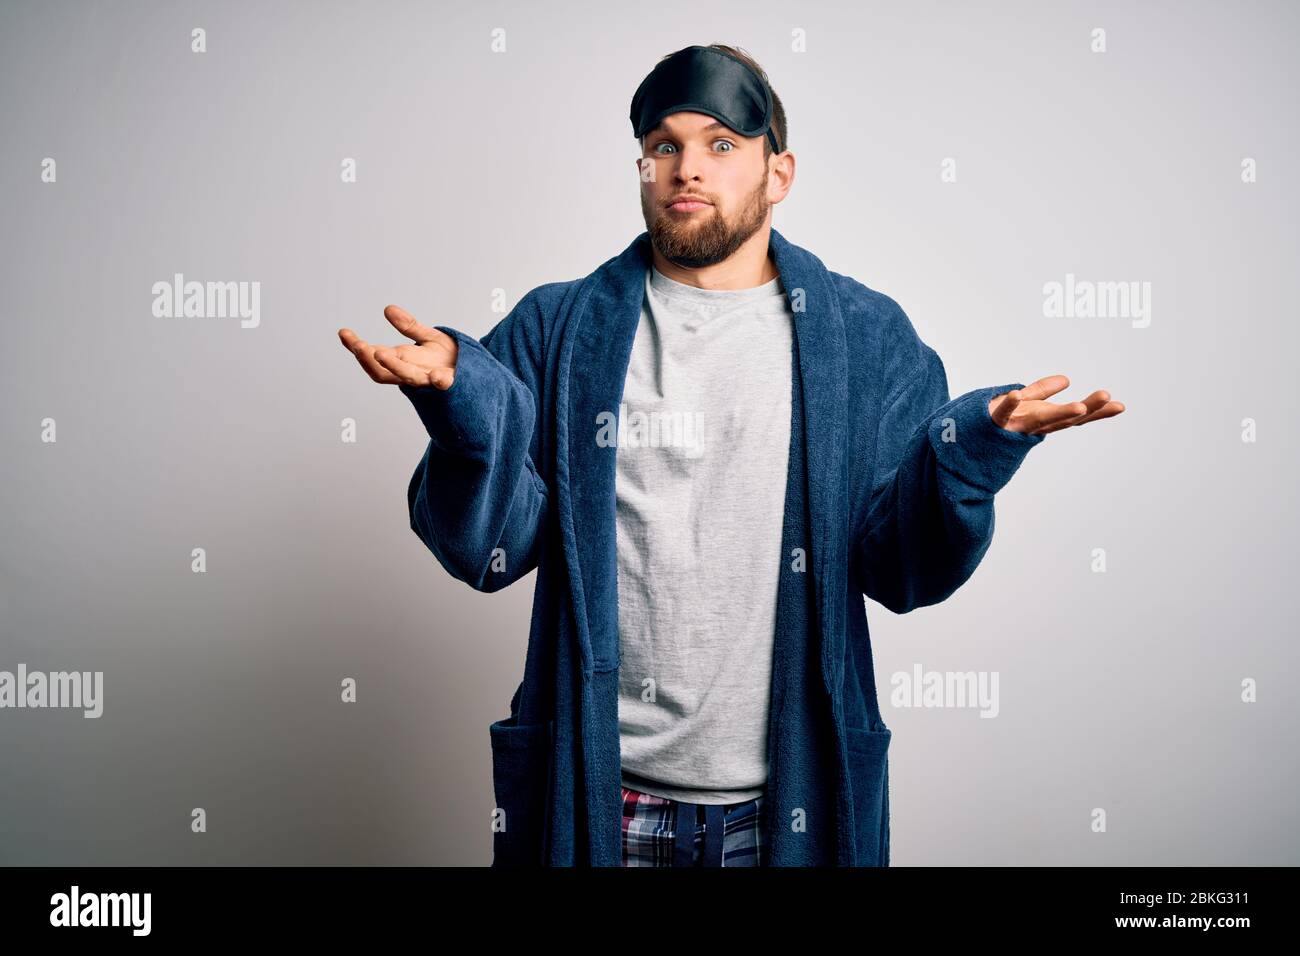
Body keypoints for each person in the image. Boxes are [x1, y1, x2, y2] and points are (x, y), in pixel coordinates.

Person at [338, 44, 1124, 867]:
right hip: (603, 795)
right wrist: (468, 412)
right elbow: (488, 550)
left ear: (778, 173)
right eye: (664, 145)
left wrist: (969, 452)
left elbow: (901, 570)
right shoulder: (558, 329)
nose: (687, 168)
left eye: (720, 144)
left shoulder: (865, 338)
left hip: (788, 805)